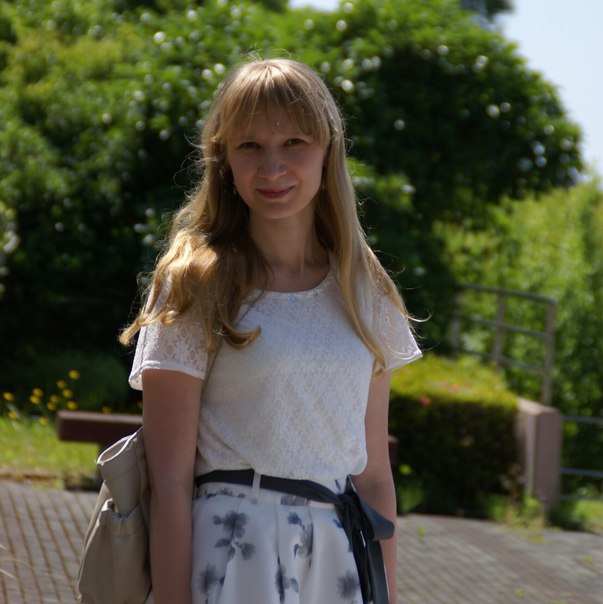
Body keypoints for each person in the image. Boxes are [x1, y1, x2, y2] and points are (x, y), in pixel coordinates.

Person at [120, 57, 422, 604]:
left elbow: (375, 477)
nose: (271, 167)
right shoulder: (194, 282)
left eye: (294, 143)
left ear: (328, 149)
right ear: (224, 160)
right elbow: (169, 483)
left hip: (338, 558)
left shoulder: (365, 288)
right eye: (250, 146)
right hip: (233, 551)